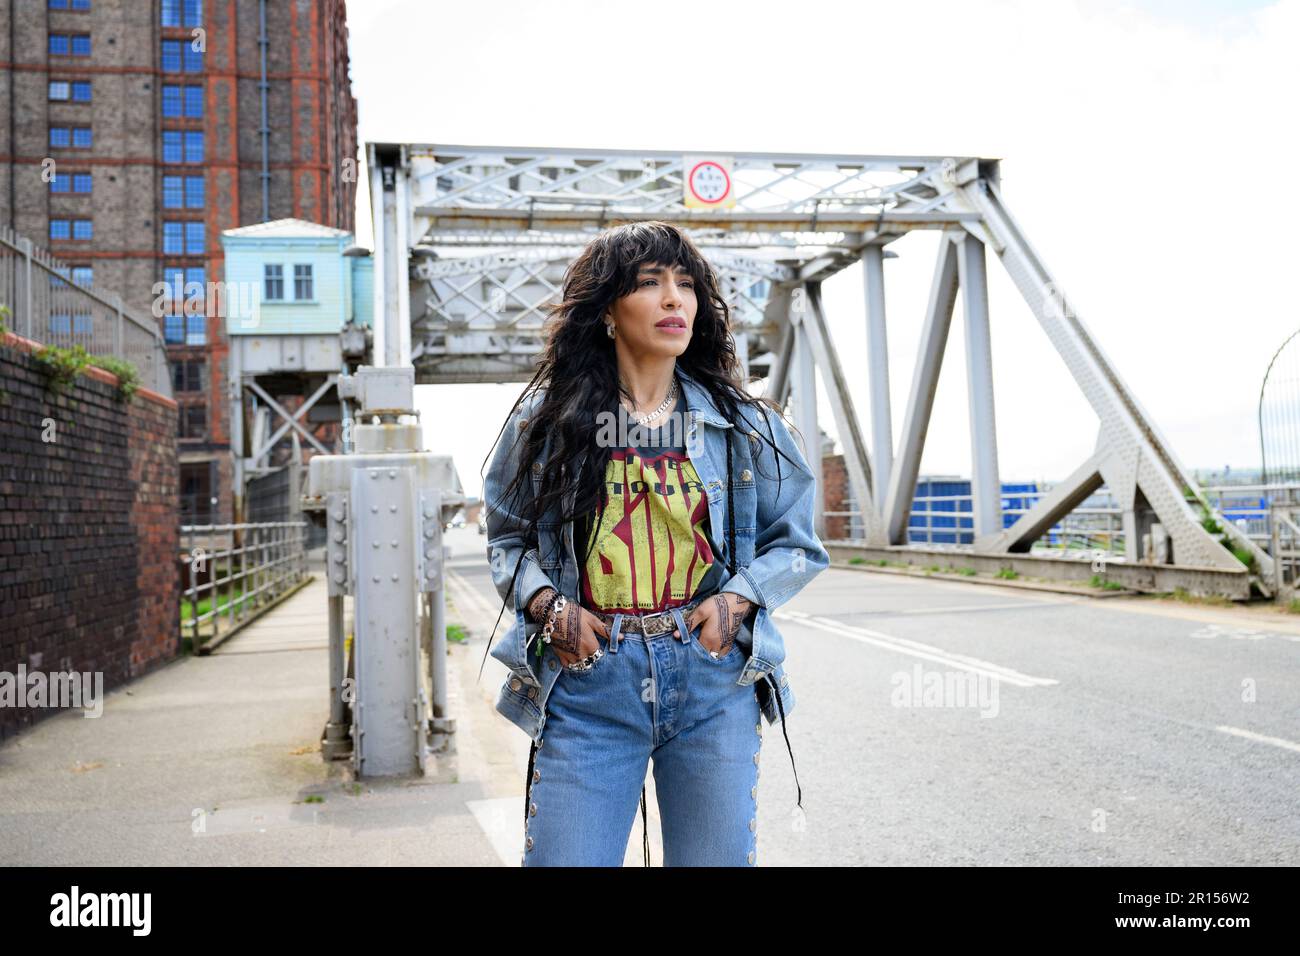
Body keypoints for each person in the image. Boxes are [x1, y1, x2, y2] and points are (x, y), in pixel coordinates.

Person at [481, 220, 829, 866]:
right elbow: (506, 540)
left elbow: (797, 543)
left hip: (709, 680)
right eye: (650, 284)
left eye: (686, 284)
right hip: (590, 680)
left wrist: (736, 603)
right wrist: (551, 609)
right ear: (608, 311)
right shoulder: (548, 427)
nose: (675, 300)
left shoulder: (743, 426)